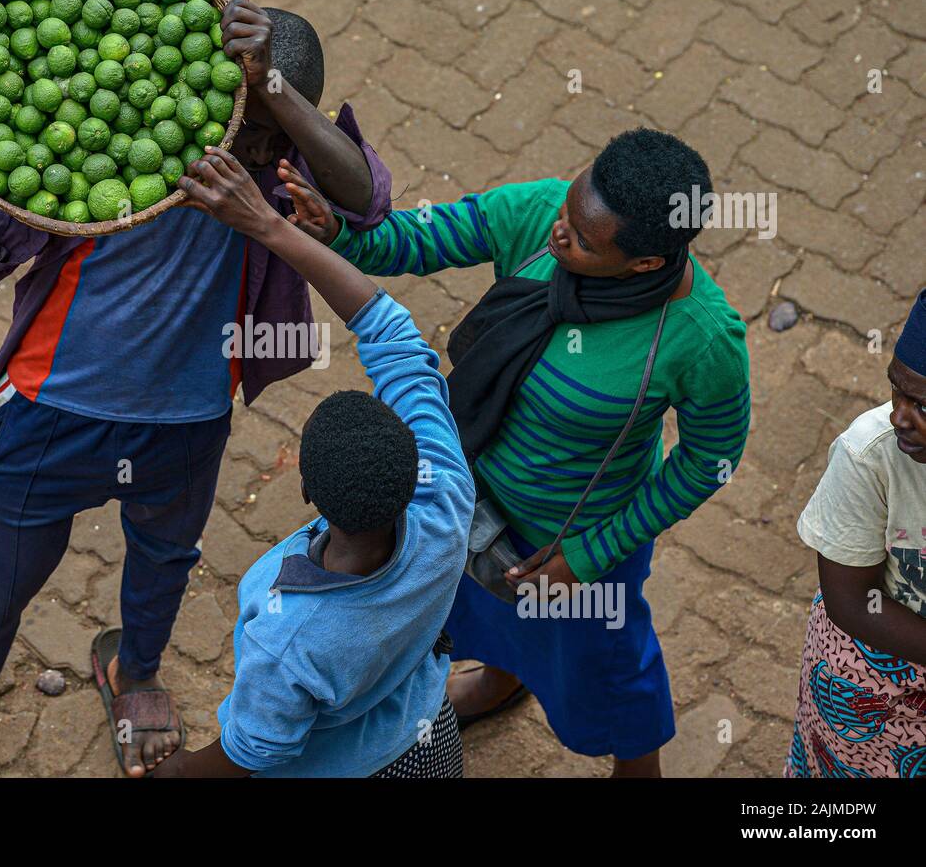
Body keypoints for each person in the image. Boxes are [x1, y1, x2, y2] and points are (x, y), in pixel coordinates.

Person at [0, 0, 391, 777]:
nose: (244, 152)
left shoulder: (282, 177)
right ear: (192, 94)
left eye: (270, 133)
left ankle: (136, 671)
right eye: (234, 124)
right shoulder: (120, 150)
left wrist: (274, 96)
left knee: (165, 558)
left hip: (188, 423)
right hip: (49, 411)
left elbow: (365, 199)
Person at [281, 128, 751, 776]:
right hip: (471, 500)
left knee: (606, 673)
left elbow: (710, 460)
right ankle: (499, 683)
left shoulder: (702, 339)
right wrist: (337, 233)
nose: (560, 233)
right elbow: (414, 240)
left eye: (585, 241)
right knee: (477, 613)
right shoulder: (540, 212)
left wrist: (585, 559)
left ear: (645, 264)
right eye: (568, 211)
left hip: (576, 542)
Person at [147, 147, 474, 777]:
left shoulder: (290, 640)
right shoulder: (445, 495)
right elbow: (391, 333)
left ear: (307, 494)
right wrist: (266, 225)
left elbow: (250, 754)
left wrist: (176, 772)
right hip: (428, 743)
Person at [786, 291, 926, 778]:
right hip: (870, 682)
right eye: (897, 390)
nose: (899, 417)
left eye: (923, 406)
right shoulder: (871, 456)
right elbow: (850, 602)